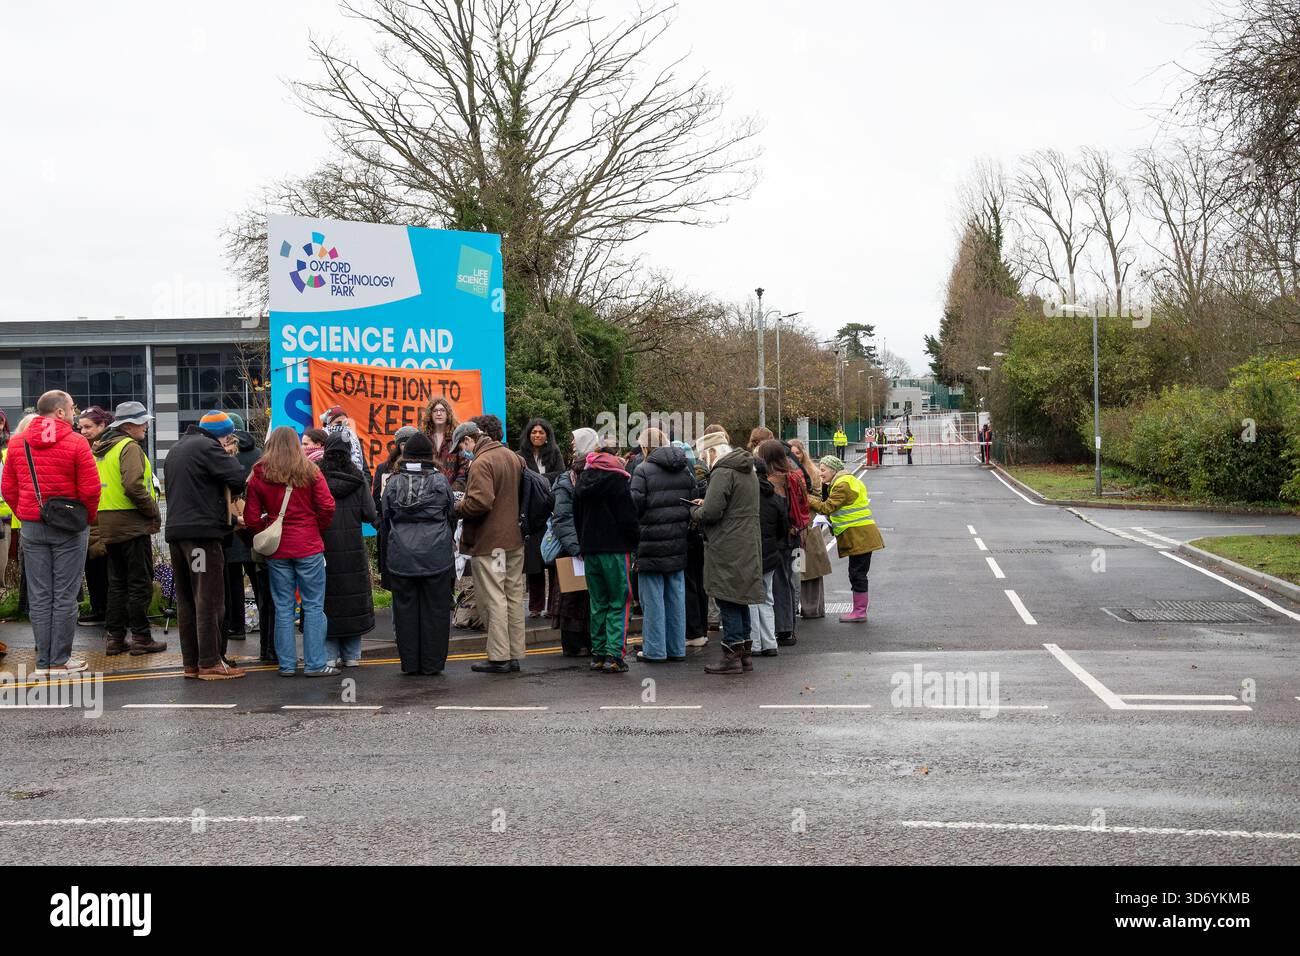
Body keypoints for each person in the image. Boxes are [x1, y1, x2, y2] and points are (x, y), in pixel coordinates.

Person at [0, 391, 102, 677]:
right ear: (59, 412)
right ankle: (59, 660)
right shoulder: (76, 442)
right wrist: (86, 518)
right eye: (72, 409)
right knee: (66, 595)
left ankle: (44, 661)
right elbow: (91, 489)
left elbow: (8, 487)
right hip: (70, 527)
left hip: (32, 525)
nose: (74, 413)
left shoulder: (17, 443)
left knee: (40, 595)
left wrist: (26, 514)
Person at [245, 426, 337, 677]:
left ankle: (286, 665)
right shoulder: (310, 470)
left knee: (283, 607)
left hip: (278, 550)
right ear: (297, 445)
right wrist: (317, 526)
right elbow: (328, 505)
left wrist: (267, 528)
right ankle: (315, 664)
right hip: (308, 544)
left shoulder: (259, 473)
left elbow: (251, 518)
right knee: (314, 605)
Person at [164, 410, 250, 679]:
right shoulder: (209, 447)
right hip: (201, 536)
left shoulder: (177, 448)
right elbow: (237, 478)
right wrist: (225, 453)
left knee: (187, 599)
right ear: (224, 435)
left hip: (177, 534)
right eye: (228, 438)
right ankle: (210, 662)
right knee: (209, 597)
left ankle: (192, 662)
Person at [93, 401, 166, 657]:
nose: (146, 426)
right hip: (131, 524)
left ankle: (115, 639)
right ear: (128, 426)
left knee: (117, 584)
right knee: (139, 583)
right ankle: (141, 637)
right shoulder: (129, 447)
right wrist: (153, 511)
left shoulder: (102, 449)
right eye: (142, 422)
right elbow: (133, 485)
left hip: (108, 524)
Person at [455, 414, 525, 674]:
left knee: (493, 598)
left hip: (490, 541)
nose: (463, 454)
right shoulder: (512, 456)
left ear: (468, 440)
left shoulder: (482, 461)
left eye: (462, 448)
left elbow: (480, 502)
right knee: (513, 596)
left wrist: (457, 506)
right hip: (514, 540)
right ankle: (515, 653)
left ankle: (498, 656)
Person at [691, 429, 765, 675]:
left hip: (727, 544)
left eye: (705, 455)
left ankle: (731, 655)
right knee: (740, 597)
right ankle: (745, 655)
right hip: (747, 540)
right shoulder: (748, 469)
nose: (704, 460)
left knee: (727, 597)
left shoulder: (722, 471)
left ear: (713, 452)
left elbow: (712, 513)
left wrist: (695, 512)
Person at [382, 431, 456, 675]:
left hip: (401, 555)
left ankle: (410, 664)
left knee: (405, 612)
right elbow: (451, 516)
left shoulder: (393, 481)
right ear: (430, 456)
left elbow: (384, 517)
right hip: (436, 554)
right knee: (436, 610)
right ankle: (433, 664)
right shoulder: (440, 481)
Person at [629, 426, 693, 663]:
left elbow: (635, 506)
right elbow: (692, 499)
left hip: (650, 543)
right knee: (676, 596)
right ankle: (676, 648)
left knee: (652, 599)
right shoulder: (684, 469)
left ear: (645, 447)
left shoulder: (642, 470)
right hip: (678, 540)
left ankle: (655, 649)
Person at [574, 443, 639, 673]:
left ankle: (598, 653)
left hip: (590, 548)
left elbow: (577, 517)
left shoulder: (582, 481)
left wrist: (582, 543)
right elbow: (628, 518)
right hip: (615, 549)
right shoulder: (618, 481)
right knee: (619, 600)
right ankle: (614, 654)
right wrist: (634, 542)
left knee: (598, 601)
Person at [320, 431, 377, 668]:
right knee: (353, 601)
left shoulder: (317, 476)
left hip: (323, 549)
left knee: (327, 601)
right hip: (352, 549)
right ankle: (352, 657)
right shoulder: (357, 478)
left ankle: (329, 657)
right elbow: (370, 514)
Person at [809, 455, 885, 623]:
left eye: (823, 470)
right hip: (861, 536)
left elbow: (827, 507)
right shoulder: (845, 481)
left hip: (860, 537)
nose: (820, 474)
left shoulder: (842, 485)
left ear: (833, 470)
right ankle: (859, 610)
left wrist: (805, 497)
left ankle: (859, 612)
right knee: (857, 573)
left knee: (857, 574)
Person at [552, 428, 598, 657]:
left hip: (587, 547)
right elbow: (562, 517)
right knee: (573, 598)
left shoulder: (593, 473)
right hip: (576, 549)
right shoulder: (567, 479)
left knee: (587, 597)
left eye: (574, 440)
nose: (571, 443)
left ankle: (588, 642)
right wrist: (575, 547)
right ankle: (573, 644)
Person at [755, 439, 807, 646]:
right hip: (795, 534)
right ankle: (788, 628)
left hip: (777, 536)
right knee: (787, 579)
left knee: (776, 584)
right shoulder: (795, 476)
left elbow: (774, 510)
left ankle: (781, 629)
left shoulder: (772, 480)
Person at [222, 415, 265, 653]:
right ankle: (267, 625)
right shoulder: (258, 454)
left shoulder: (221, 455)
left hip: (232, 523)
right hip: (254, 522)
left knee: (231, 581)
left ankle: (236, 626)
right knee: (258, 576)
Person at [518, 417, 564, 620]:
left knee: (554, 562)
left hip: (551, 513)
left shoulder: (554, 454)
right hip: (531, 514)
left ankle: (553, 606)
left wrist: (537, 479)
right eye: (534, 432)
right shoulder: (519, 456)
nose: (537, 435)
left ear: (547, 436)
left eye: (541, 432)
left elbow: (561, 475)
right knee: (534, 563)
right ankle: (535, 606)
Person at [75, 405, 114, 626]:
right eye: (81, 427)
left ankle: (108, 611)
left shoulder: (108, 447)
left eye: (88, 427)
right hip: (90, 515)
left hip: (106, 513)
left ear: (103, 425)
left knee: (105, 565)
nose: (83, 432)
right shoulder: (85, 447)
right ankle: (100, 608)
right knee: (93, 565)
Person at [747, 457, 790, 658]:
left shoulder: (745, 498)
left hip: (750, 555)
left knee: (751, 600)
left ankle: (755, 644)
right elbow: (783, 529)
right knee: (767, 598)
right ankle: (770, 643)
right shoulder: (776, 499)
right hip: (771, 555)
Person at [372, 425, 418, 590]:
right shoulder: (384, 468)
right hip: (389, 528)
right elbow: (376, 498)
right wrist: (379, 522)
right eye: (404, 444)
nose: (407, 447)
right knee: (394, 580)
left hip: (415, 530)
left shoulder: (425, 468)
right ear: (398, 445)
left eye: (410, 443)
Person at [787, 441, 831, 619]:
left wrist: (803, 496)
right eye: (791, 453)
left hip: (810, 525)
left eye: (798, 453)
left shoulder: (812, 473)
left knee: (811, 570)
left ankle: (812, 608)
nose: (795, 456)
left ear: (803, 454)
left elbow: (820, 501)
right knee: (797, 568)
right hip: (795, 526)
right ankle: (794, 606)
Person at [320, 405, 368, 476]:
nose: (342, 426)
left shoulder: (355, 441)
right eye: (338, 423)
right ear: (328, 424)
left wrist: (363, 483)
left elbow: (365, 471)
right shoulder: (321, 439)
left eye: (344, 423)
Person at [422, 396, 460, 483]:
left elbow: (463, 468)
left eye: (442, 410)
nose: (439, 413)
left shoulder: (456, 438)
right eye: (435, 411)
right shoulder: (424, 438)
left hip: (451, 491)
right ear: (430, 415)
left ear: (448, 414)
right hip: (428, 490)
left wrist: (454, 490)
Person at [449, 421, 480, 492]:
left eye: (460, 449)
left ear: (467, 440)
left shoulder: (481, 462)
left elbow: (479, 498)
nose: (461, 453)